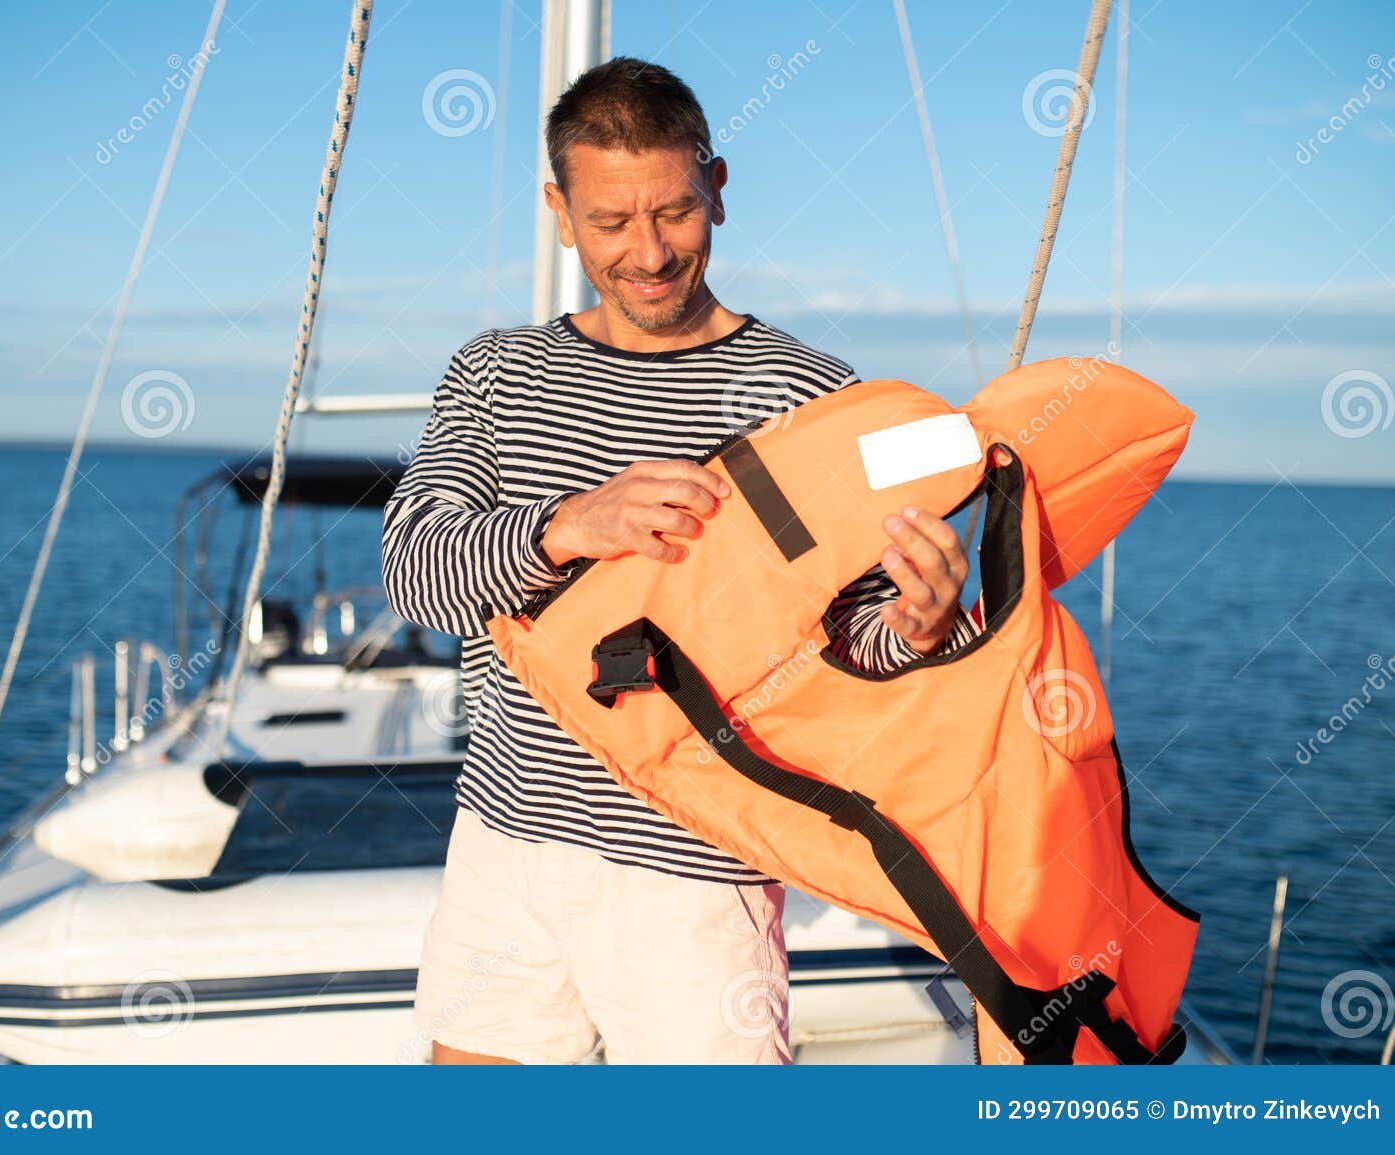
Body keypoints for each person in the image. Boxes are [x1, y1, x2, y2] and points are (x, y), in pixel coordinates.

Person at [382, 57, 976, 1065]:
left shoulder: (809, 396)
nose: (650, 253)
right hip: (506, 845)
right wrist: (566, 525)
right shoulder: (497, 372)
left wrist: (919, 625)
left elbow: (853, 642)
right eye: (611, 222)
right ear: (560, 214)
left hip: (699, 874)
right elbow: (412, 568)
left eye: (675, 212)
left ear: (718, 190)